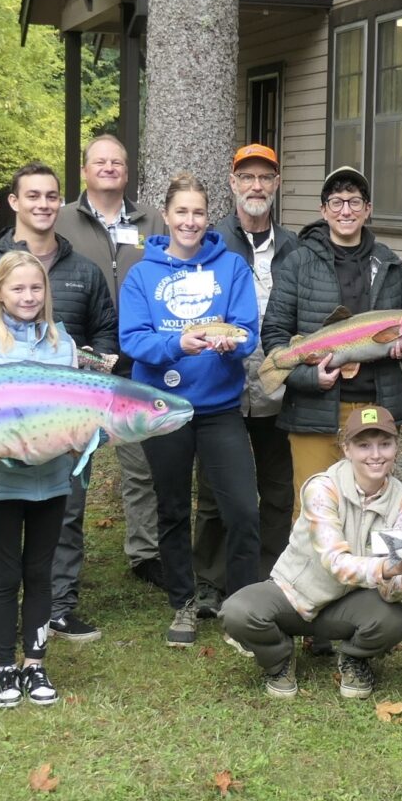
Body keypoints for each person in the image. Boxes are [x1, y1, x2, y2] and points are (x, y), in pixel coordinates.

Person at [0, 162, 119, 642]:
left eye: (51, 196)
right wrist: (7, 385)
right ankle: (0, 618)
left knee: (65, 512)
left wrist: (94, 365)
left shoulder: (82, 269)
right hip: (3, 423)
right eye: (33, 196)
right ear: (14, 202)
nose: (43, 204)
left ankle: (57, 608)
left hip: (66, 418)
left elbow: (105, 329)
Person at [121, 173, 263, 647]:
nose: (190, 221)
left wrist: (229, 343)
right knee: (174, 507)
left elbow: (248, 331)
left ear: (208, 217)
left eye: (198, 212)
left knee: (242, 508)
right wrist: (178, 342)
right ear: (167, 214)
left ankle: (244, 608)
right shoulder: (143, 273)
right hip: (165, 406)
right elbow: (133, 339)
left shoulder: (232, 267)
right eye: (181, 212)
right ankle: (182, 601)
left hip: (220, 408)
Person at [219, 405, 402, 701]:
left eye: (385, 444)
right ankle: (279, 658)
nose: (376, 454)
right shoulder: (322, 488)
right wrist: (391, 568)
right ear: (347, 449)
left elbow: (391, 589)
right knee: (237, 611)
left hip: (349, 604)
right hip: (294, 595)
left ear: (396, 447)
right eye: (364, 445)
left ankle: (354, 658)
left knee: (393, 619)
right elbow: (335, 563)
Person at [0, 253, 82, 707]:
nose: (28, 297)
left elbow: (73, 406)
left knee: (40, 571)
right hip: (2, 483)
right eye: (17, 289)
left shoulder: (63, 343)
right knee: (5, 575)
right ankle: (4, 666)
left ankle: (35, 663)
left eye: (36, 288)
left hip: (52, 480)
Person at [263, 166, 402, 503]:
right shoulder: (298, 263)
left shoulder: (390, 265)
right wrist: (309, 377)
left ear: (368, 209)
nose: (346, 211)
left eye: (354, 201)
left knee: (371, 504)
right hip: (315, 410)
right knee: (314, 508)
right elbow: (275, 332)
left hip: (374, 405)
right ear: (323, 211)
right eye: (336, 202)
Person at [190, 144, 300, 618]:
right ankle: (209, 581)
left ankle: (269, 575)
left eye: (265, 177)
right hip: (225, 385)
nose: (257, 186)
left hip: (279, 387)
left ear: (276, 185)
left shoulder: (295, 247)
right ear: (233, 184)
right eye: (247, 177)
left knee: (277, 489)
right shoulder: (212, 243)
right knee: (216, 491)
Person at [55, 135, 168, 587]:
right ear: (84, 170)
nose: (108, 168)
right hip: (78, 364)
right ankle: (62, 559)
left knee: (142, 466)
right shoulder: (62, 219)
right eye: (99, 162)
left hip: (138, 361)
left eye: (117, 162)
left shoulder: (151, 220)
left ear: (127, 171)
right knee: (71, 466)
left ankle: (146, 552)